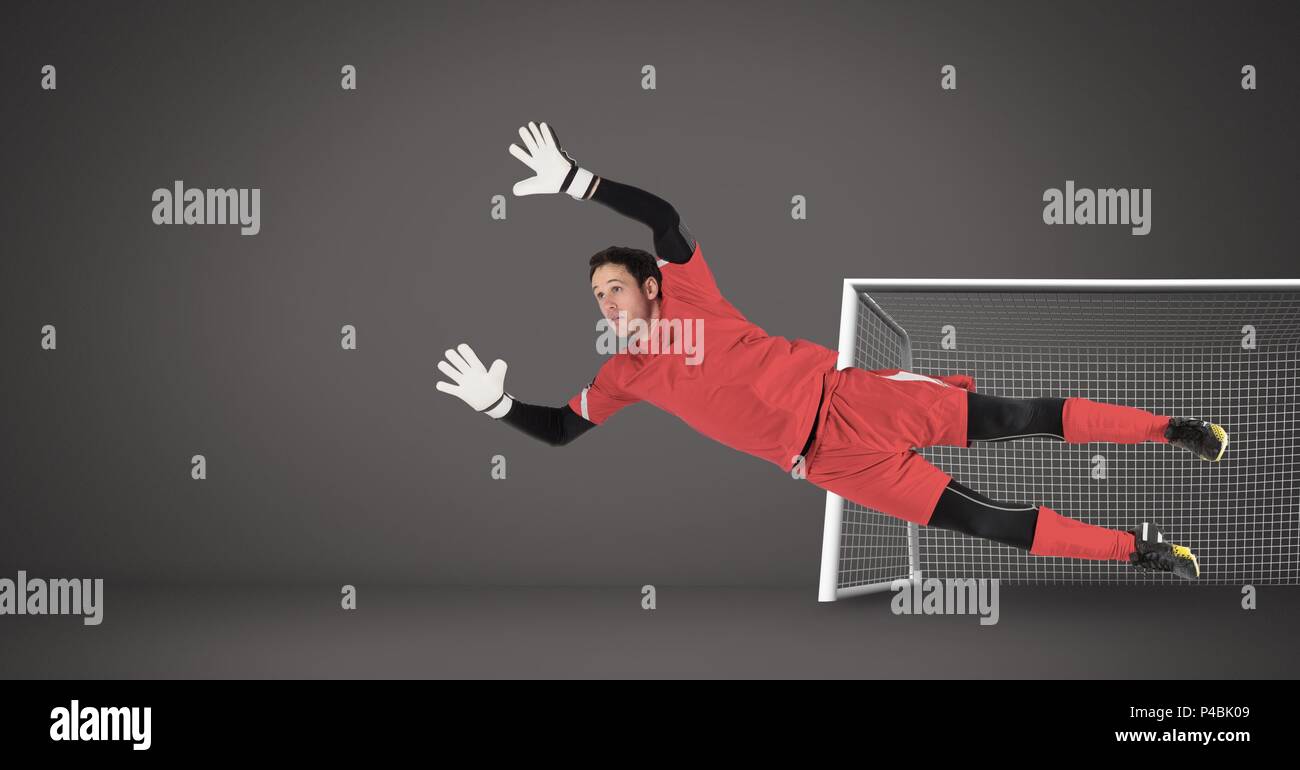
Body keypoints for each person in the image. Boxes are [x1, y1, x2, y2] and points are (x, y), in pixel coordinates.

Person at [437, 121, 1227, 580]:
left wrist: (578, 180)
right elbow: (561, 431)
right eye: (596, 296)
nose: (606, 301)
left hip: (854, 398)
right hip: (830, 465)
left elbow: (664, 214)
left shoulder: (691, 292)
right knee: (986, 523)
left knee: (1020, 417)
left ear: (649, 287)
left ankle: (1170, 431)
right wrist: (496, 406)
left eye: (615, 285)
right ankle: (1139, 550)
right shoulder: (623, 375)